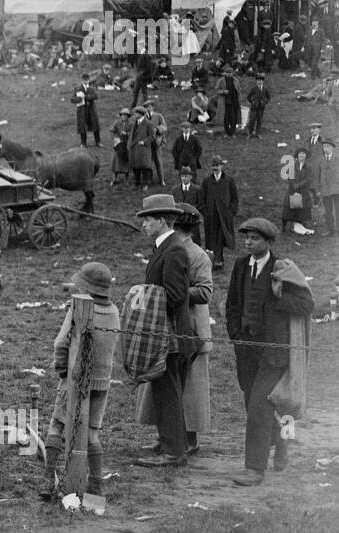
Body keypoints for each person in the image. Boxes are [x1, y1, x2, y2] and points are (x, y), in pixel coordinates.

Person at [225, 218, 314, 486]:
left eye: (255, 238)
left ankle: (255, 469)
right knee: (255, 404)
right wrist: (236, 337)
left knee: (258, 407)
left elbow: (307, 305)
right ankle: (281, 444)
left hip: (274, 353)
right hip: (247, 351)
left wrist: (279, 296)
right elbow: (232, 304)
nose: (249, 242)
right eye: (247, 238)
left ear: (268, 242)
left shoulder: (283, 269)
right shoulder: (241, 265)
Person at [45, 263, 119, 496]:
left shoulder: (78, 309)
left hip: (75, 379)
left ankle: (48, 480)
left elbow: (61, 343)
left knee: (58, 424)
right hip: (102, 381)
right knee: (92, 433)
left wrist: (61, 369)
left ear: (86, 288)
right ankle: (95, 485)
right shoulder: (114, 311)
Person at [133, 194, 196, 469]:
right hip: (162, 333)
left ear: (162, 220)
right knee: (163, 390)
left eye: (148, 219)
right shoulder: (164, 247)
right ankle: (169, 441)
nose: (144, 224)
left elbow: (175, 294)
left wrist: (142, 297)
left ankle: (174, 452)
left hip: (171, 335)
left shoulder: (174, 250)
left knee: (169, 391)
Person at [197, 155, 239, 268]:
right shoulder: (207, 181)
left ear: (222, 166)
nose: (215, 168)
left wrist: (231, 213)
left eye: (217, 165)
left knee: (221, 237)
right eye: (213, 165)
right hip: (211, 216)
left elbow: (235, 198)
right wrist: (205, 212)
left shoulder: (229, 180)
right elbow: (201, 199)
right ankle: (211, 260)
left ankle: (219, 260)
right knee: (210, 237)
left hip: (224, 215)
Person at [283, 148, 315, 232]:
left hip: (303, 190)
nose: (301, 155)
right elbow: (289, 176)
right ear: (297, 155)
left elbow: (309, 178)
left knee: (303, 207)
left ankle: (300, 223)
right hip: (292, 190)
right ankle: (285, 225)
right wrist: (293, 184)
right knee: (289, 207)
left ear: (306, 156)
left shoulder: (309, 167)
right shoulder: (292, 165)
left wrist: (299, 185)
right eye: (300, 153)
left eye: (303, 154)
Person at [127, 104, 156, 188]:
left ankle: (146, 184)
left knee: (145, 167)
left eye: (136, 113)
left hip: (143, 149)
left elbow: (152, 136)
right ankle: (137, 182)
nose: (134, 115)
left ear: (141, 114)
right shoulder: (134, 123)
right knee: (135, 166)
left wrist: (144, 142)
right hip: (134, 148)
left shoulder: (148, 124)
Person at [317, 137, 339, 235]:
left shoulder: (337, 158)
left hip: (337, 188)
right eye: (324, 147)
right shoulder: (320, 160)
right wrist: (318, 189)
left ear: (332, 148)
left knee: (338, 209)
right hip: (325, 189)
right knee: (328, 211)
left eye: (328, 147)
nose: (326, 149)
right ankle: (331, 230)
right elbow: (318, 175)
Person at [73, 73, 100, 147]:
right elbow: (72, 99)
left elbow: (96, 96)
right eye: (84, 80)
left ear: (89, 80)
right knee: (83, 126)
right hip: (82, 110)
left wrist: (88, 97)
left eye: (87, 80)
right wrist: (79, 99)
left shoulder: (91, 88)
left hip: (91, 109)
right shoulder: (77, 88)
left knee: (95, 125)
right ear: (82, 80)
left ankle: (98, 142)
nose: (86, 81)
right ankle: (83, 143)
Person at [109, 108, 132, 185]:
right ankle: (114, 179)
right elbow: (112, 129)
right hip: (118, 145)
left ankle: (127, 179)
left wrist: (126, 134)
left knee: (126, 162)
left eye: (125, 115)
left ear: (128, 116)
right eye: (122, 115)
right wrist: (115, 137)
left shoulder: (131, 123)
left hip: (126, 145)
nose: (123, 117)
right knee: (115, 161)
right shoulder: (117, 122)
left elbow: (132, 133)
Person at [246, 74, 271, 138]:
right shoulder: (254, 89)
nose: (259, 82)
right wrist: (252, 102)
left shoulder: (265, 89)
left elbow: (268, 97)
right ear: (256, 81)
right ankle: (250, 133)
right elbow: (248, 96)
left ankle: (258, 133)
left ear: (263, 81)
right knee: (252, 121)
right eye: (258, 80)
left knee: (259, 120)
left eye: (261, 80)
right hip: (254, 108)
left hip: (261, 108)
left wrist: (265, 102)